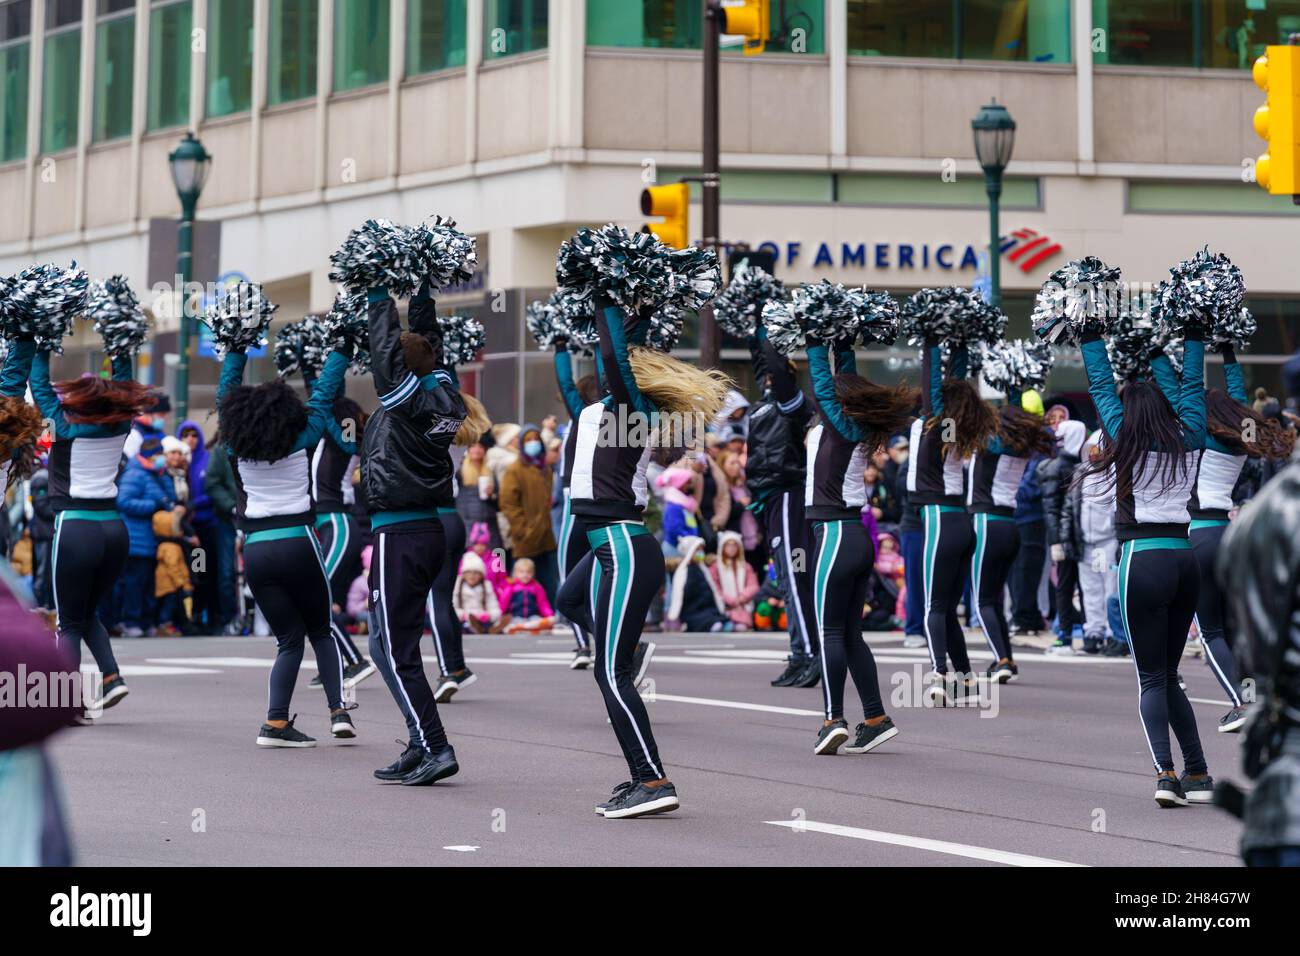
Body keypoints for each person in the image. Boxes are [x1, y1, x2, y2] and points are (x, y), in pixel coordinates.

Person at [556, 295, 696, 819]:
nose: (605, 367)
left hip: (622, 545)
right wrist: (630, 309)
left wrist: (603, 301)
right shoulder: (616, 408)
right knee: (568, 597)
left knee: (609, 674)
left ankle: (651, 778)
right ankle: (627, 651)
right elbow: (611, 355)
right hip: (611, 546)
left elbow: (613, 358)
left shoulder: (632, 409)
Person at [1079, 319, 1211, 807]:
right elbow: (1193, 386)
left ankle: (1165, 774)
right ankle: (1198, 772)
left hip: (1143, 559)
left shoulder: (1124, 434)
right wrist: (1189, 336)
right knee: (1169, 673)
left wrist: (1091, 334)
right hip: (1185, 558)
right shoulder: (1191, 433)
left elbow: (1100, 384)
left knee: (1152, 677)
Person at [216, 322, 357, 747]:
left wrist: (236, 350)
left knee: (288, 640)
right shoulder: (304, 435)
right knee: (320, 629)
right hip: (299, 540)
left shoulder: (233, 445)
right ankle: (338, 713)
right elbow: (323, 398)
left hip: (257, 549)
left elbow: (225, 400)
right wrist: (340, 350)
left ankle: (275, 723)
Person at [3, 334, 154, 712]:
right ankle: (111, 677)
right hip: (115, 530)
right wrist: (122, 348)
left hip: (76, 526)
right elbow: (124, 384)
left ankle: (66, 703)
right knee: (85, 612)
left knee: (68, 621)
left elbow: (39, 387)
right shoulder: (121, 425)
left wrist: (38, 342)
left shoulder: (64, 427)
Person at [362, 282, 467, 786]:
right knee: (389, 643)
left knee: (391, 648)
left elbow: (388, 352)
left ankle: (435, 745)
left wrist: (379, 290)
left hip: (399, 533)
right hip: (424, 529)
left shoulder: (404, 401)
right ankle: (418, 739)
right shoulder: (442, 391)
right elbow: (428, 343)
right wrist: (422, 286)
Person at [804, 331, 913, 754]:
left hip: (833, 535)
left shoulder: (840, 423)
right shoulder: (855, 426)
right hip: (855, 535)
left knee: (830, 630)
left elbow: (823, 385)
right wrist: (843, 340)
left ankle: (833, 718)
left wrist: (816, 338)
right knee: (850, 634)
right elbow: (839, 384)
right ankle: (875, 716)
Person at [1191, 343, 1294, 733]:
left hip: (1198, 534)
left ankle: (1240, 701)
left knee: (1211, 630)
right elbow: (1237, 400)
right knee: (1236, 630)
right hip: (1228, 533)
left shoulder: (1197, 436)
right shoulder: (1237, 437)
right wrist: (1230, 355)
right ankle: (1253, 697)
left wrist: (1194, 343)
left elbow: (1186, 391)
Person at [908, 335, 997, 704]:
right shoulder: (954, 428)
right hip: (962, 523)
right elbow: (951, 386)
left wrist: (931, 339)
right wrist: (957, 346)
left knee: (934, 606)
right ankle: (965, 678)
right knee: (945, 608)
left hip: (941, 520)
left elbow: (934, 387)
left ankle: (938, 673)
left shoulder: (937, 426)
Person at [747, 326, 820, 687]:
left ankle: (810, 654)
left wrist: (766, 330)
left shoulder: (794, 404)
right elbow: (762, 362)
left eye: (773, 374)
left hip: (791, 496)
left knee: (795, 577)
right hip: (771, 500)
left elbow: (773, 363)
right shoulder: (761, 407)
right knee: (788, 581)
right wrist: (750, 328)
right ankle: (799, 651)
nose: (767, 378)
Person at [967, 389, 1055, 682]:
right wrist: (1015, 389)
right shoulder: (1021, 446)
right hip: (1010, 525)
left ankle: (1002, 659)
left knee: (983, 600)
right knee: (993, 598)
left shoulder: (992, 444)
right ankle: (1006, 659)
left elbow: (952, 434)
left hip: (987, 522)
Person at [300, 366, 376, 690]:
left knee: (314, 598)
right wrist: (309, 366)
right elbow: (321, 400)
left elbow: (323, 405)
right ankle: (334, 664)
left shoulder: (344, 440)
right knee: (312, 598)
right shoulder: (329, 438)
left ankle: (353, 662)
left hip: (339, 525)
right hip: (327, 525)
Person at [551, 337, 602, 668]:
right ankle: (603, 638)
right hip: (605, 503)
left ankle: (584, 644)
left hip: (575, 500)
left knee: (567, 572)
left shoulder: (583, 414)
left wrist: (559, 348)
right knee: (596, 574)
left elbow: (565, 382)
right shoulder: (616, 414)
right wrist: (601, 342)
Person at [116, 431, 177, 637]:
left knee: (151, 584)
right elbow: (123, 501)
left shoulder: (159, 474)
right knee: (135, 583)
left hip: (153, 539)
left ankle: (146, 620)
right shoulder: (135, 473)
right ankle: (132, 621)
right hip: (136, 539)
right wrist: (152, 505)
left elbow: (170, 500)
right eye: (158, 455)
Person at [1038, 419, 1087, 655]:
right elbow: (1051, 509)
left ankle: (1085, 634)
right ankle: (1065, 635)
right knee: (1067, 586)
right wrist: (1056, 540)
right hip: (1068, 538)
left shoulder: (1079, 466)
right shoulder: (1057, 468)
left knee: (1083, 587)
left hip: (1081, 535)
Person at [1072, 429, 1120, 656]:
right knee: (1089, 589)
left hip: (1106, 541)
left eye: (1098, 449)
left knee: (1109, 589)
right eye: (1091, 449)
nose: (1094, 454)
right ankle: (1093, 633)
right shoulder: (1082, 473)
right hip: (1086, 542)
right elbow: (1071, 507)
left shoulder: (1114, 474)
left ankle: (1112, 633)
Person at [498, 423, 559, 602]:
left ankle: (551, 616)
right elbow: (508, 503)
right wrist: (522, 529)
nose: (533, 443)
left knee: (549, 581)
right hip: (526, 537)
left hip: (547, 535)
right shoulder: (514, 469)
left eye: (535, 439)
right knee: (524, 582)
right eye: (528, 440)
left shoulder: (545, 468)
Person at [177, 420, 218, 631]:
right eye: (185, 435)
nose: (190, 439)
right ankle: (186, 618)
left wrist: (192, 505)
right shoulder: (177, 462)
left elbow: (211, 492)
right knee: (183, 576)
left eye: (194, 435)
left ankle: (202, 616)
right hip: (183, 529)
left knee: (201, 572)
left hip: (203, 529)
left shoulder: (206, 460)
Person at [202, 433, 242, 634]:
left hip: (257, 515)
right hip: (228, 520)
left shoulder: (260, 442)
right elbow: (212, 483)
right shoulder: (221, 450)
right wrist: (230, 506)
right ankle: (228, 617)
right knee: (226, 572)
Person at [666, 535, 730, 632]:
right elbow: (684, 594)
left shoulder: (703, 569)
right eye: (697, 550)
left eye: (701, 550)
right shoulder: (683, 572)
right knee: (712, 623)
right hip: (693, 612)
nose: (701, 553)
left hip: (708, 609)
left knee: (725, 621)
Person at [710, 530, 758, 629]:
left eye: (734, 545)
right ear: (722, 547)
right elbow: (714, 587)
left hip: (742, 606)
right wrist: (729, 600)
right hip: (724, 607)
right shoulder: (716, 567)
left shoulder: (745, 566)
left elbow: (753, 585)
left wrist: (742, 597)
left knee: (741, 627)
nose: (731, 548)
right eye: (728, 545)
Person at [500, 556, 556, 633]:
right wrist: (500, 615)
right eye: (522, 572)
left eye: (528, 572)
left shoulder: (537, 587)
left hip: (532, 616)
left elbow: (543, 603)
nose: (525, 575)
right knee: (513, 621)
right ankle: (523, 628)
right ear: (516, 573)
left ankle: (527, 628)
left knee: (537, 620)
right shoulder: (511, 587)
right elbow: (504, 603)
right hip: (516, 616)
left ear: (533, 573)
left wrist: (549, 615)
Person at [453, 550, 504, 633]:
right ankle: (479, 629)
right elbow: (453, 607)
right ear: (463, 574)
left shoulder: (486, 586)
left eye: (476, 573)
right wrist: (463, 615)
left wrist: (489, 615)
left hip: (481, 618)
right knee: (461, 625)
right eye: (469, 573)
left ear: (481, 575)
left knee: (488, 623)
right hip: (464, 618)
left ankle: (489, 629)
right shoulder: (457, 586)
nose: (472, 576)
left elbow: (493, 606)